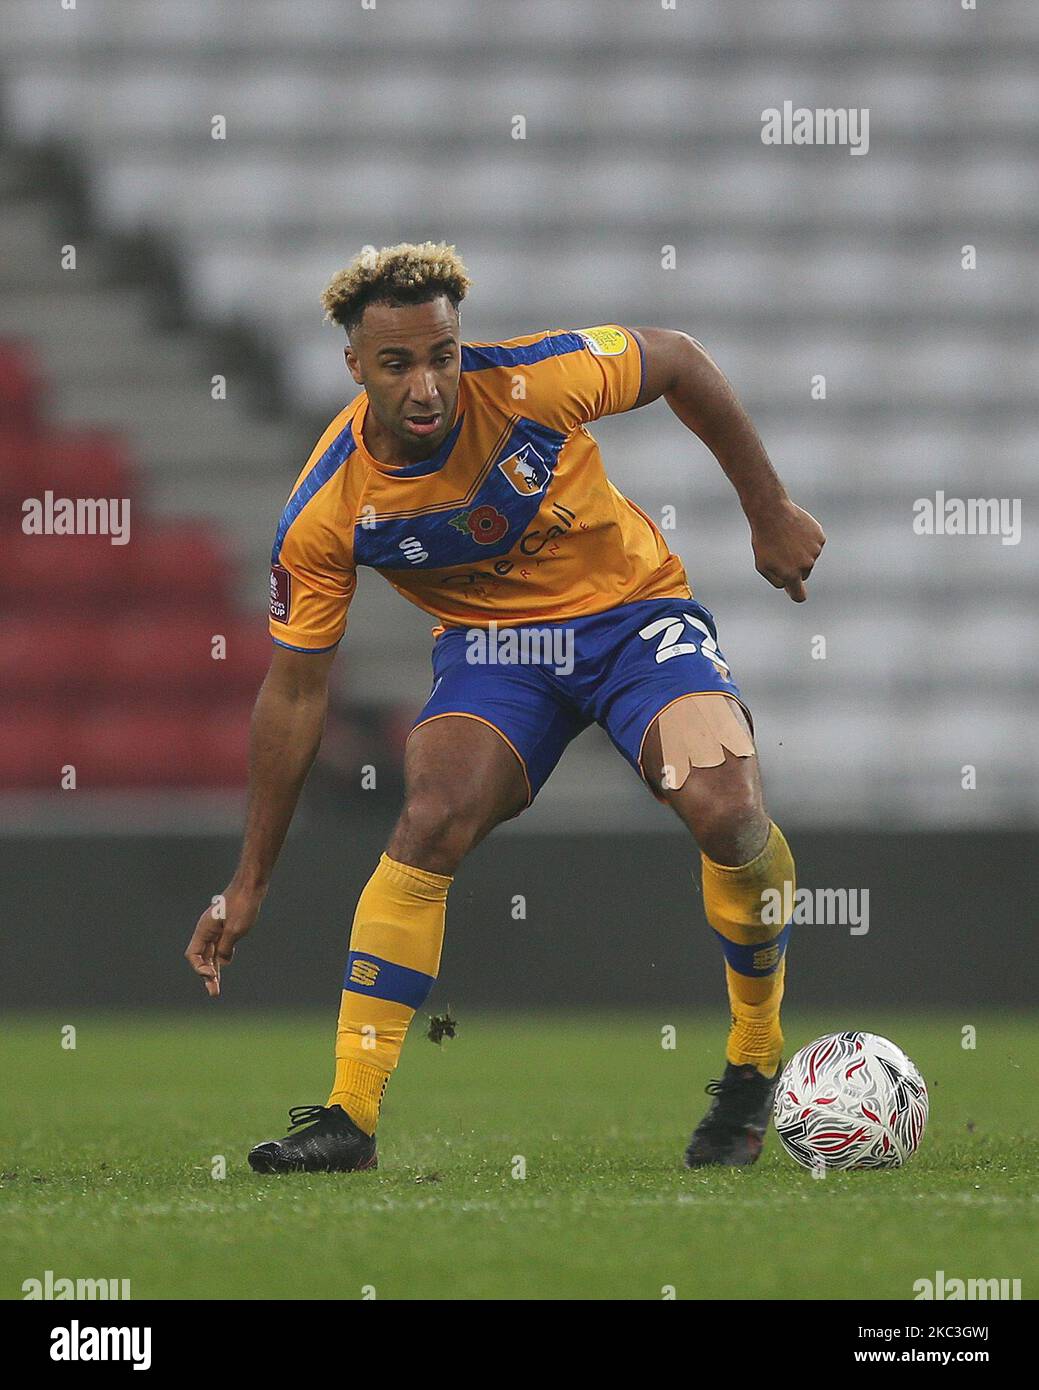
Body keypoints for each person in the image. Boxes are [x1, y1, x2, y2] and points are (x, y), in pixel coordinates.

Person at [184, 241, 825, 1173]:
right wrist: (248, 882)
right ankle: (348, 1117)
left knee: (728, 814)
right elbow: (292, 694)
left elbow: (678, 359)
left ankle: (754, 1055)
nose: (426, 385)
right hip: (496, 654)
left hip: (631, 616)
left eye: (440, 355)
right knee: (431, 816)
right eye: (397, 364)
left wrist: (766, 507)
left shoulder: (535, 381)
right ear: (354, 366)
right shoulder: (329, 509)